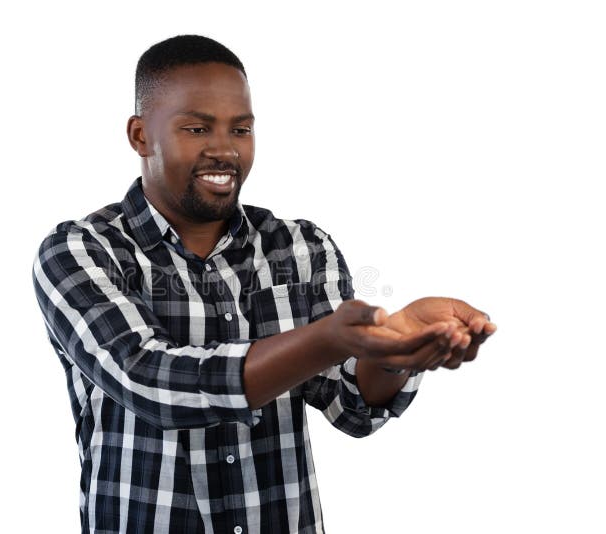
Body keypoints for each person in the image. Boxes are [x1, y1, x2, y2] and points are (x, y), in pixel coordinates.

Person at [32, 34, 497, 534]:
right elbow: (150, 381)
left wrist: (391, 349)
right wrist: (326, 339)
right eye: (196, 128)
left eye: (241, 129)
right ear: (141, 136)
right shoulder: (80, 251)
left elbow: (354, 407)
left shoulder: (301, 247)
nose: (224, 150)